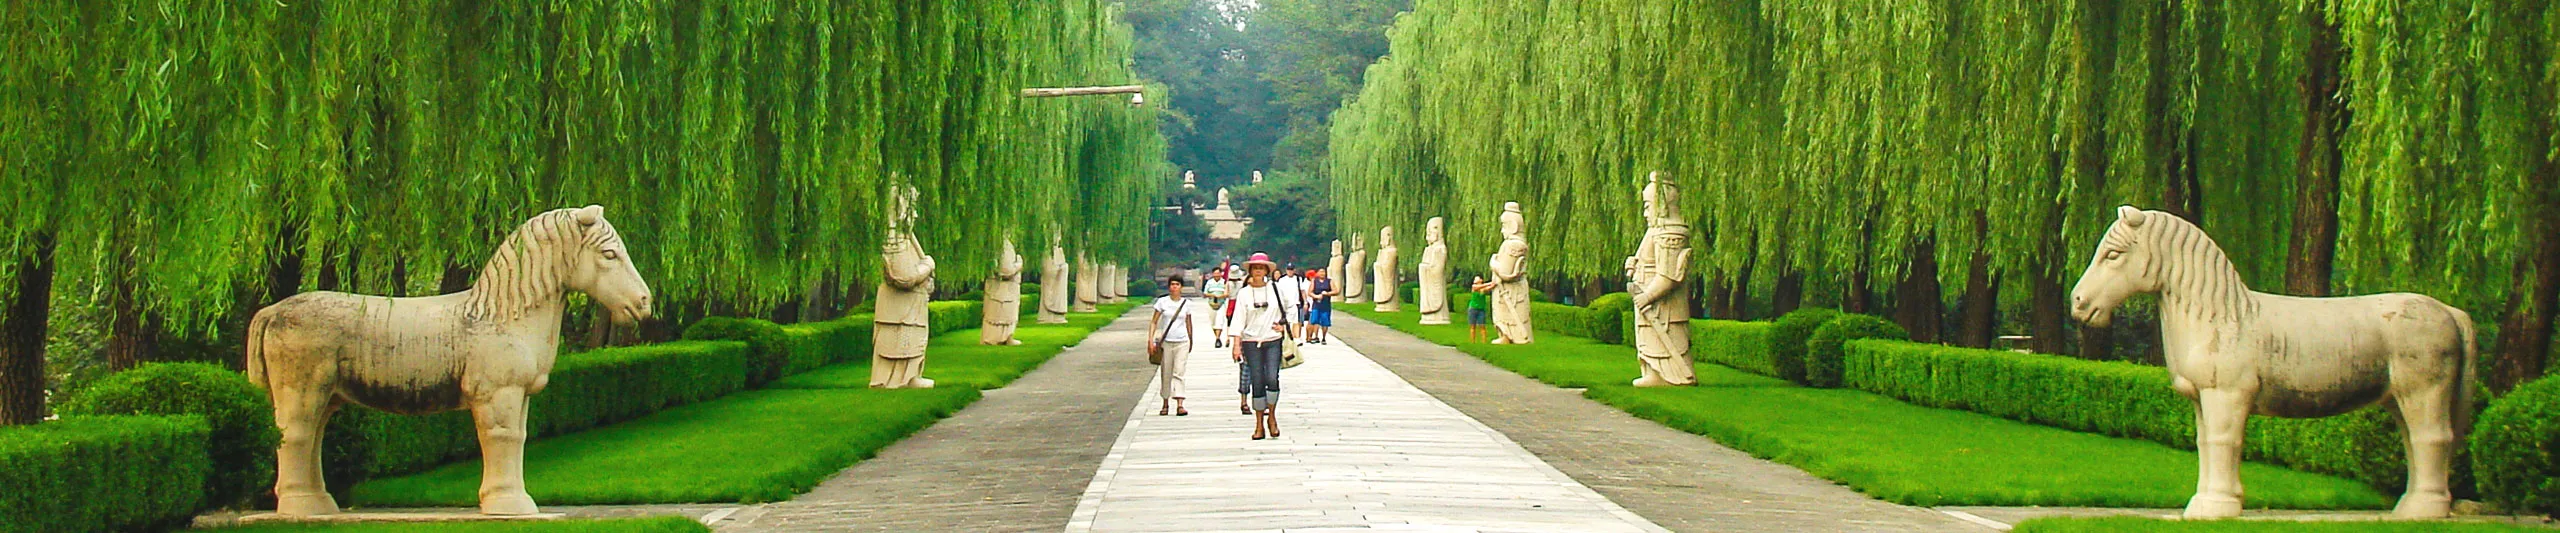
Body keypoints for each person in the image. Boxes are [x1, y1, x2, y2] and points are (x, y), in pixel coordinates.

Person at [1224, 253, 1298, 440]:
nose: (1258, 271)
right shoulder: (1244, 293)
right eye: (1255, 268)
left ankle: (1271, 416)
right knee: (1257, 380)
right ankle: (1259, 424)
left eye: (1261, 268)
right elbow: (1238, 319)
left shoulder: (1275, 289)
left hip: (1272, 339)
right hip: (1251, 341)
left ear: (1267, 270)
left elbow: (1291, 307)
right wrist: (1236, 344)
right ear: (1250, 271)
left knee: (1272, 378)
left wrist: (1284, 324)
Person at [1149, 276, 1198, 416]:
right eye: (1172, 284)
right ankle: (1165, 402)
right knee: (1166, 372)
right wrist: (1151, 340)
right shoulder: (1162, 302)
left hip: (1182, 341)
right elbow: (1154, 322)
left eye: (1177, 284)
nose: (1174, 287)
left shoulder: (1186, 303)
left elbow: (1189, 323)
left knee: (1179, 371)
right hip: (1166, 342)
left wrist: (1191, 339)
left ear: (1181, 287)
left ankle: (1180, 403)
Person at [1203, 262, 1231, 346]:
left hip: (1221, 304)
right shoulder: (1209, 282)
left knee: (1219, 321)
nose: (1217, 275)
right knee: (1213, 322)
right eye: (1215, 273)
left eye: (1218, 273)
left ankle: (1218, 339)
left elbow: (1227, 294)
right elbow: (1205, 293)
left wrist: (1221, 296)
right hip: (1211, 304)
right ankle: (1217, 336)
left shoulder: (1224, 282)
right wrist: (1212, 295)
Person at [1468, 275, 1494, 343]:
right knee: (1472, 326)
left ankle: (1484, 342)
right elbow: (1480, 287)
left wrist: (1493, 284)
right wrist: (1490, 283)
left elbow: (1489, 288)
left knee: (1482, 326)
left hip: (1481, 310)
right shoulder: (1474, 287)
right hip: (1473, 309)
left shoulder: (1483, 289)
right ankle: (1472, 342)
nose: (1476, 280)